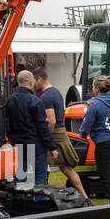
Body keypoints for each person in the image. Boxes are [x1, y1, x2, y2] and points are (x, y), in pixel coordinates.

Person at [32, 67, 88, 199]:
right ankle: (85, 197)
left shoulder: (46, 96)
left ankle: (84, 197)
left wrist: (47, 139)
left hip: (55, 134)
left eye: (34, 81)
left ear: (40, 79)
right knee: (66, 169)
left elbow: (51, 121)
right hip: (60, 132)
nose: (33, 84)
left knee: (65, 169)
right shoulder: (55, 92)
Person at [79, 75, 110, 203]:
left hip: (105, 144)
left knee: (107, 179)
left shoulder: (95, 104)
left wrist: (82, 135)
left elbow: (86, 125)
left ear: (96, 88)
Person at [4, 69, 55, 187]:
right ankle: (40, 202)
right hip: (36, 146)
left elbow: (6, 123)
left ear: (18, 82)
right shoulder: (36, 101)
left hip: (18, 145)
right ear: (31, 82)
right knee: (40, 178)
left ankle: (19, 202)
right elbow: (43, 127)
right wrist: (52, 147)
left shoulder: (9, 101)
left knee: (20, 178)